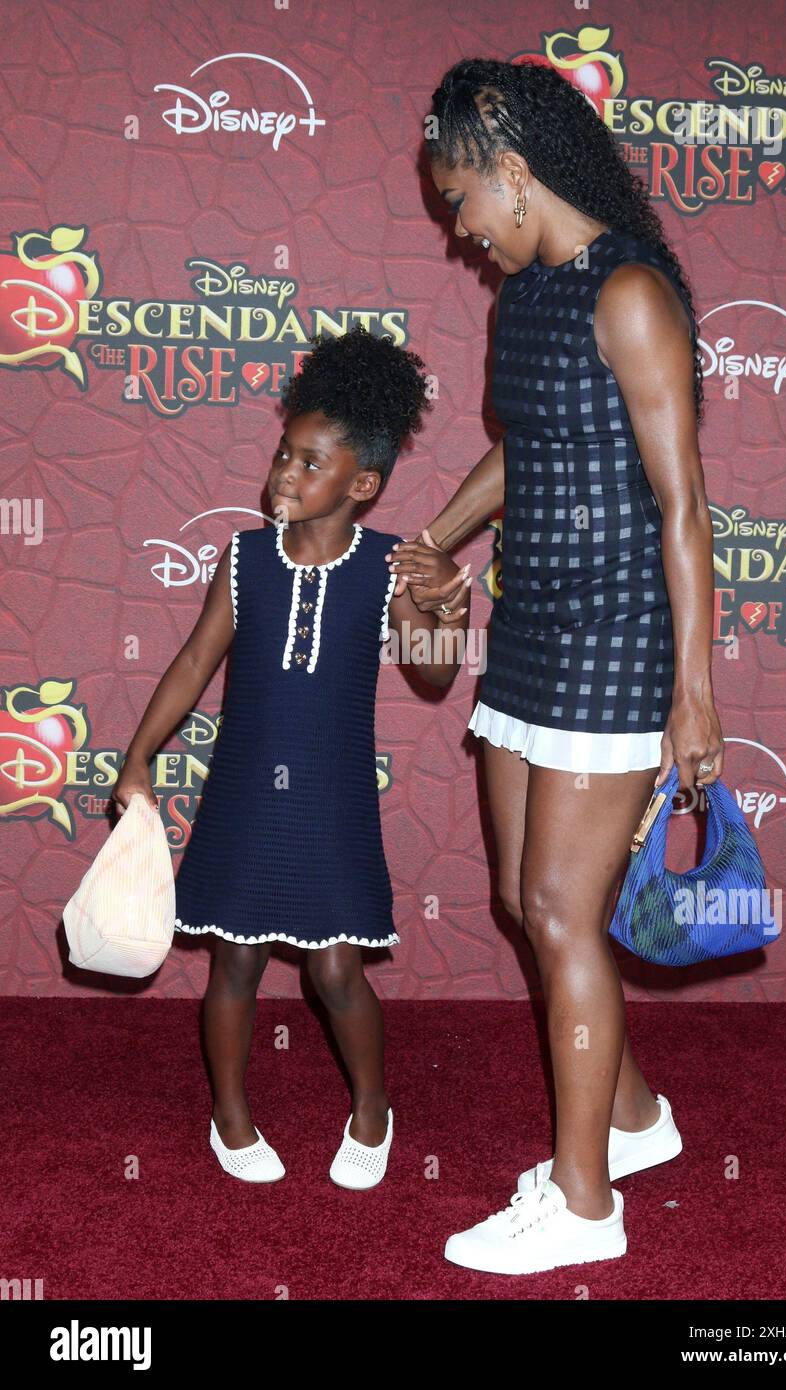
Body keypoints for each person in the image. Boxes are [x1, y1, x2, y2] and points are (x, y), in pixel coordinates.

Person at [386, 58, 724, 1274]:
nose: (460, 233)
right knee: (521, 903)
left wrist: (693, 696)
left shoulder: (630, 293)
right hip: (531, 628)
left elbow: (683, 506)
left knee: (557, 911)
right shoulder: (522, 298)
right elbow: (522, 449)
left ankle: (584, 1206)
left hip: (618, 638)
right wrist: (432, 538)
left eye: (463, 204)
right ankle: (630, 1120)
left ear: (516, 176)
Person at [113, 325, 471, 1189]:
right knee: (233, 960)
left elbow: (431, 677)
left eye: (311, 463)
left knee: (337, 968)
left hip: (333, 797)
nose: (285, 474)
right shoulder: (244, 559)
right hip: (242, 790)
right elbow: (195, 663)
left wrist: (447, 614)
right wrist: (136, 761)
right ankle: (229, 1116)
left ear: (365, 484)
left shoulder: (389, 568)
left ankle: (373, 1106)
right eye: (284, 455)